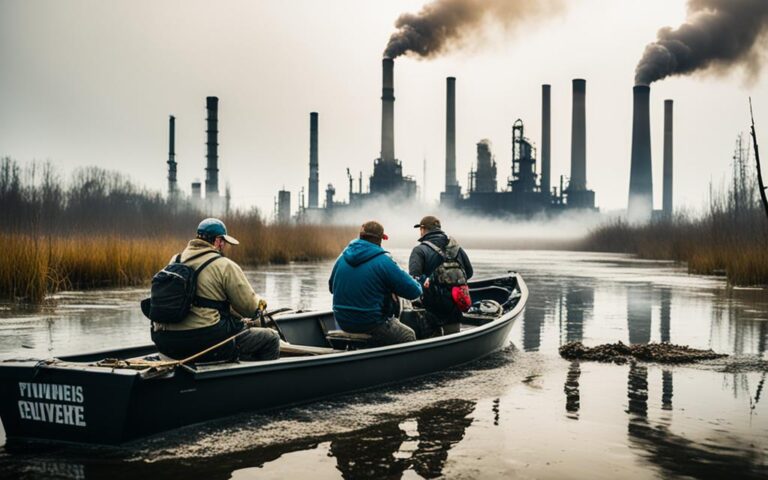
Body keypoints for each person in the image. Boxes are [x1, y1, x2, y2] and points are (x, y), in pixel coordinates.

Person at [151, 218, 280, 362]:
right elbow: (249, 308)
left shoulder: (175, 260)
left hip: (166, 341)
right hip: (205, 342)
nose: (224, 246)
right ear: (218, 241)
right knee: (271, 338)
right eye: (224, 242)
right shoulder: (225, 265)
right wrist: (260, 304)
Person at [328, 221, 422, 347]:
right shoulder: (384, 261)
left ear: (360, 236)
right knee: (408, 335)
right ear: (381, 239)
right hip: (370, 324)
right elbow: (414, 292)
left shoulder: (342, 258)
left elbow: (331, 288)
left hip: (342, 322)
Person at [409, 215, 473, 337]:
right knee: (453, 338)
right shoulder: (456, 248)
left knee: (432, 340)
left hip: (430, 307)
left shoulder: (419, 250)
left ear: (423, 229)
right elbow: (469, 273)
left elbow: (414, 279)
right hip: (455, 303)